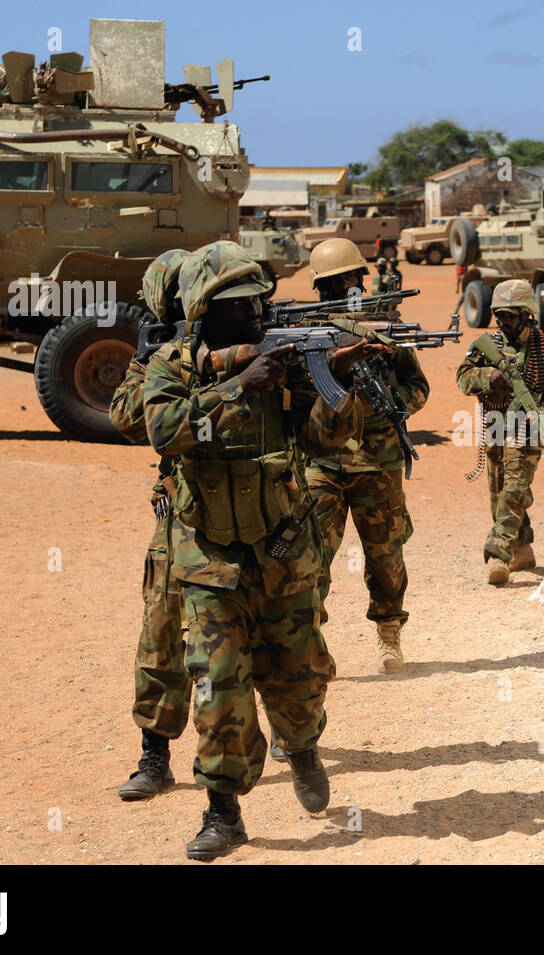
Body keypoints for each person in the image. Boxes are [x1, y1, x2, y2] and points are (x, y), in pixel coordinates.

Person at [143, 240, 386, 861]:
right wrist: (239, 385)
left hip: (282, 551)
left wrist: (345, 379)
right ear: (204, 310)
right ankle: (223, 813)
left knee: (298, 682)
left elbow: (325, 436)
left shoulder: (289, 363)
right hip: (207, 562)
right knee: (218, 687)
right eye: (238, 306)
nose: (255, 313)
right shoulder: (172, 366)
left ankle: (301, 748)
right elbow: (166, 432)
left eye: (258, 302)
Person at [276, 238, 429, 688]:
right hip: (320, 463)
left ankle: (389, 634)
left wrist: (389, 403)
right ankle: (310, 644)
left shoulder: (385, 328)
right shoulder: (301, 333)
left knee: (385, 556)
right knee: (309, 558)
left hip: (378, 463)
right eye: (335, 283)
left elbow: (418, 388)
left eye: (353, 279)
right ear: (320, 288)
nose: (348, 289)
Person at [112, 248, 192, 801]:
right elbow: (124, 419)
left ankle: (290, 737)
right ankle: (155, 755)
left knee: (268, 633)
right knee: (161, 637)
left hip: (257, 514)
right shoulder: (167, 355)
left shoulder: (253, 341)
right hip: (181, 519)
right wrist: (149, 360)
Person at [456, 279, 544, 586]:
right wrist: (487, 376)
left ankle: (499, 554)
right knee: (499, 497)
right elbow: (462, 377)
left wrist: (539, 413)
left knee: (515, 491)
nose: (504, 322)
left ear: (527, 314)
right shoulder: (488, 344)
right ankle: (522, 550)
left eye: (510, 316)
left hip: (528, 434)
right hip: (495, 428)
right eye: (500, 316)